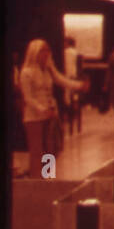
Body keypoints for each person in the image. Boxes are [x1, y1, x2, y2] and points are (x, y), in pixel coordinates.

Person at [18, 38, 87, 176]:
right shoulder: (26, 72)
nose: (45, 54)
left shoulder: (48, 69)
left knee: (51, 149)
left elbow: (61, 80)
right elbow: (28, 98)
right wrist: (43, 109)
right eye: (42, 51)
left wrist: (79, 85)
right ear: (34, 52)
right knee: (37, 151)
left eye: (47, 51)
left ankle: (47, 175)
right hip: (34, 117)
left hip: (51, 114)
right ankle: (36, 181)